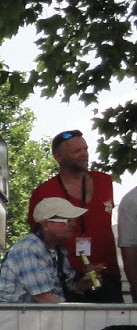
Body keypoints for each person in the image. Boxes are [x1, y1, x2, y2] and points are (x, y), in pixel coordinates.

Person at [29, 128, 120, 301]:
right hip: (66, 279)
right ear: (58, 156)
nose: (84, 154)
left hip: (106, 274)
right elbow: (37, 238)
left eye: (85, 149)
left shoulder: (104, 181)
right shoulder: (43, 192)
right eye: (77, 151)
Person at [0, 197, 85, 304]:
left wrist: (81, 285)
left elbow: (65, 289)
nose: (73, 224)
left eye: (73, 220)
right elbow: (45, 299)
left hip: (39, 313)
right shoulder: (28, 249)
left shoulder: (57, 249)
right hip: (19, 314)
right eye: (67, 221)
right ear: (46, 225)